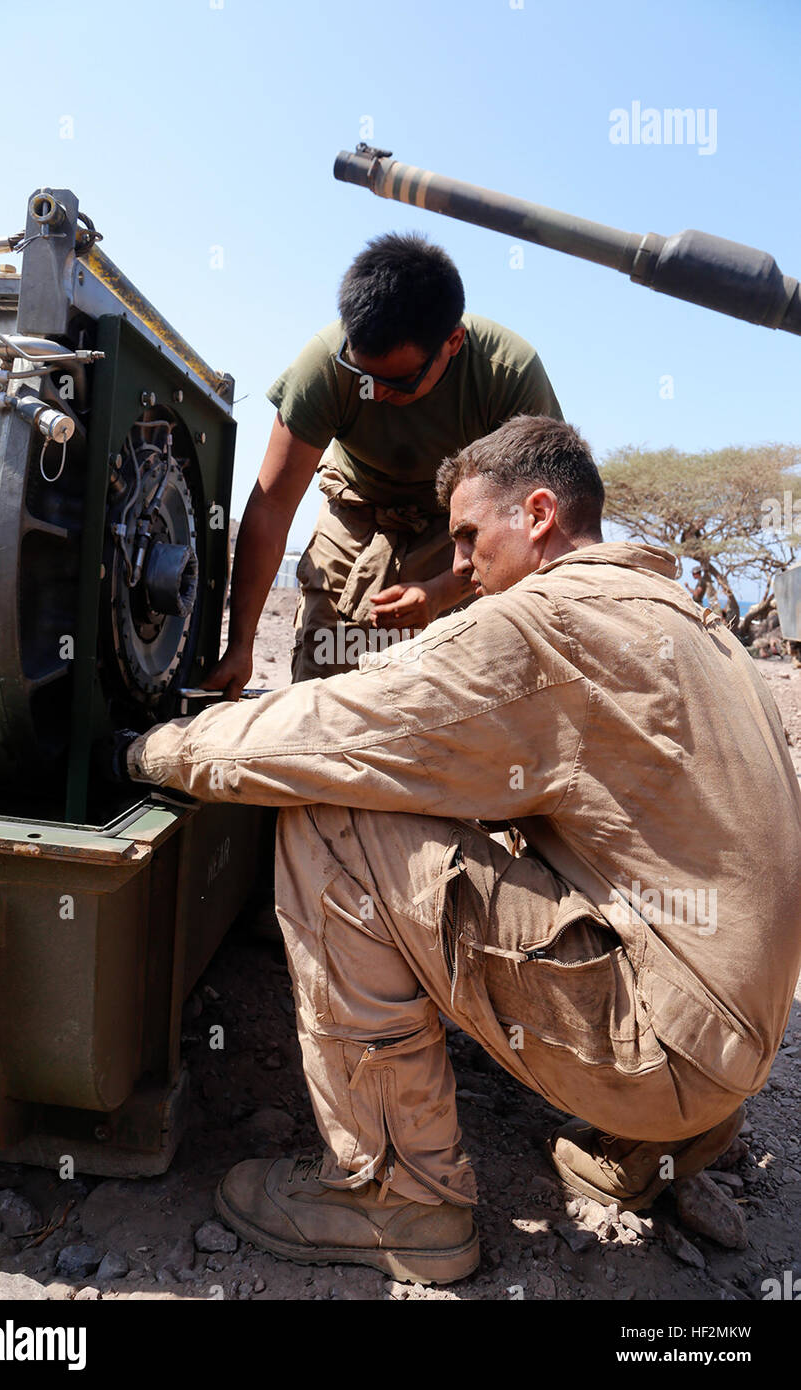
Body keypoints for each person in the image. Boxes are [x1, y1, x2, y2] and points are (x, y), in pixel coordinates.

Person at [118, 415, 801, 1285]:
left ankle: (397, 1196)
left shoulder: (546, 623)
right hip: (736, 1047)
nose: (462, 564)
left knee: (332, 813)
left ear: (540, 514)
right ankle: (653, 1145)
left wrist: (154, 750)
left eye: (472, 536)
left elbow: (340, 730)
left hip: (665, 1050)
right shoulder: (693, 622)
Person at [203, 232, 562, 692]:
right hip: (356, 508)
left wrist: (438, 592)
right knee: (323, 676)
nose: (374, 392)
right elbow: (273, 506)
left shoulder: (509, 376)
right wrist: (240, 647)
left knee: (452, 683)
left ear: (453, 342)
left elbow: (532, 527)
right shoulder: (326, 365)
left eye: (399, 383)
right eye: (363, 376)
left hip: (461, 528)